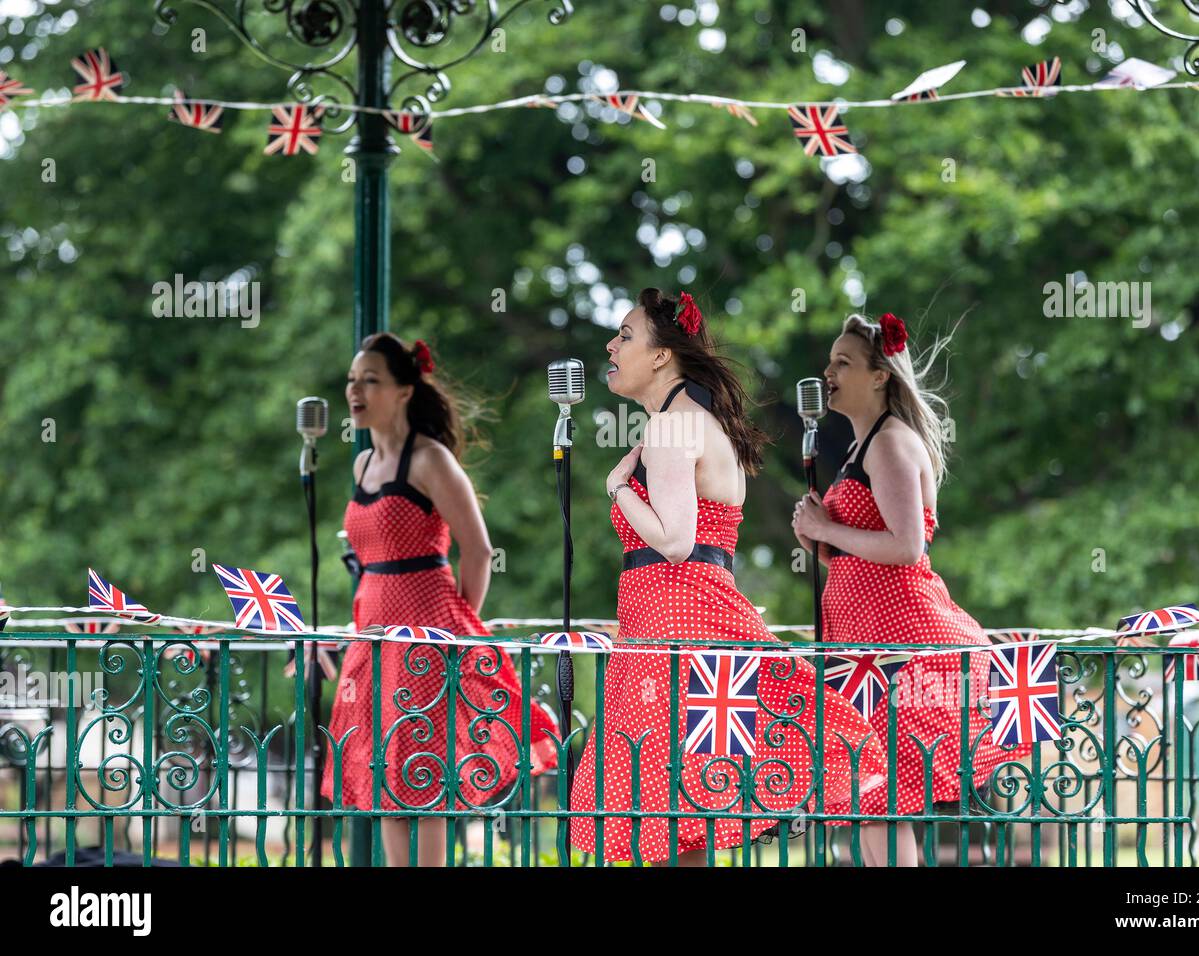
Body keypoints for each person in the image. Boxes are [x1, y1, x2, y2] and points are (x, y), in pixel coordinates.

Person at [569, 289, 887, 865]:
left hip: (674, 631)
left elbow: (672, 541)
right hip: (682, 624)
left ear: (663, 356)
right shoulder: (693, 421)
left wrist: (616, 486)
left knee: (669, 808)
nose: (610, 346)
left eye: (624, 336)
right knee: (686, 814)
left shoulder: (672, 428)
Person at [792, 312, 1032, 867]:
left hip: (898, 646)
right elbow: (861, 547)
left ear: (880, 376)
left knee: (879, 801)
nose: (828, 370)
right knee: (869, 801)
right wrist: (818, 538)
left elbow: (906, 548)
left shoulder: (891, 444)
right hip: (863, 643)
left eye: (843, 362)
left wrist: (826, 528)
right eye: (829, 361)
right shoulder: (861, 447)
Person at [320, 332, 557, 866]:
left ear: (404, 390)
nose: (355, 391)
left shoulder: (431, 461)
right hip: (374, 632)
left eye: (370, 381)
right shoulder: (361, 466)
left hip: (428, 630)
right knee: (385, 770)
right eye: (352, 381)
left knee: (427, 773)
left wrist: (455, 626)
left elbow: (478, 550)